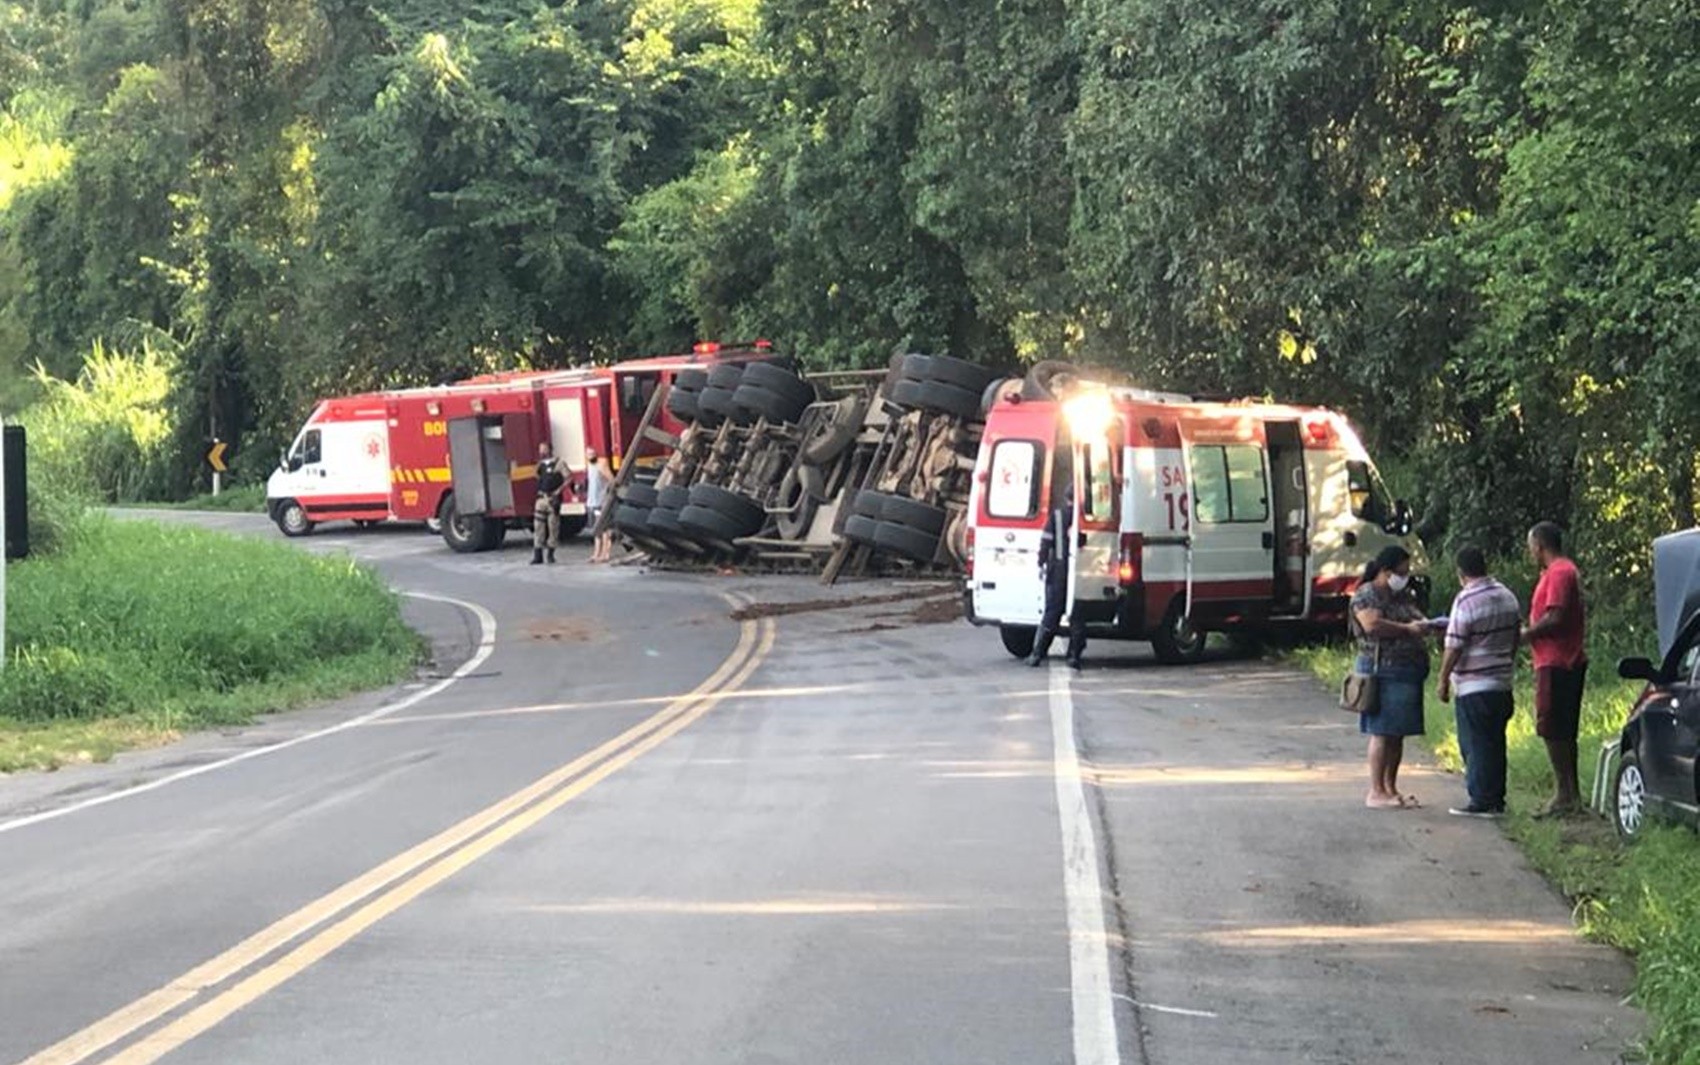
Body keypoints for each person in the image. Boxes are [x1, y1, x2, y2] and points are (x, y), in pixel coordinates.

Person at [1437, 546, 1521, 817]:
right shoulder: (1507, 596)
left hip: (1474, 684)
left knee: (1474, 744)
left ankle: (1482, 800)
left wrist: (1442, 679)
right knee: (1495, 741)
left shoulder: (1466, 600)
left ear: (1460, 572)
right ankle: (1496, 797)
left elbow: (1454, 645)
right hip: (1502, 682)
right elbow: (1515, 636)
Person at [1350, 545, 1432, 809]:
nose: (1404, 577)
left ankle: (1390, 788)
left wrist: (1427, 625)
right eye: (1401, 572)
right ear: (1385, 571)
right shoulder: (1366, 594)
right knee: (1382, 731)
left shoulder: (1402, 596)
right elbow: (1372, 624)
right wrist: (1407, 630)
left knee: (1397, 732)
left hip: (1407, 670)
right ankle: (1376, 790)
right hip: (1381, 670)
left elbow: (1416, 616)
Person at [1521, 521, 1587, 817]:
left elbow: (1556, 616)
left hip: (1558, 659)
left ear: (1540, 545)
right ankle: (1570, 794)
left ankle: (1564, 793)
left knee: (1553, 728)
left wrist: (1526, 634)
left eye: (1531, 546)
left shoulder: (1560, 572)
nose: (1530, 552)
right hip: (1556, 658)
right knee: (1562, 728)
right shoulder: (1556, 571)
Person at [1027, 486, 1087, 669]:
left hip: (1058, 570)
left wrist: (1041, 561)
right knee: (1077, 614)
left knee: (1052, 612)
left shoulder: (1057, 515)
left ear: (1066, 497)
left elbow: (1046, 541)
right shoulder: (1085, 519)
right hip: (1079, 572)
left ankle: (1037, 654)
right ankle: (1074, 655)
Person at [531, 442, 566, 565]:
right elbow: (535, 475)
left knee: (553, 527)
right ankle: (537, 555)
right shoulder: (540, 465)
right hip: (541, 498)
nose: (542, 452)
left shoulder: (559, 463)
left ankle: (550, 554)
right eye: (540, 449)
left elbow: (568, 477)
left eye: (544, 449)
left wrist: (558, 491)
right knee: (538, 527)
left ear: (550, 450)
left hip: (552, 499)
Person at [586, 448, 614, 563]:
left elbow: (612, 480)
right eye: (588, 454)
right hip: (591, 502)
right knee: (596, 529)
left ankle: (605, 553)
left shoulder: (601, 466)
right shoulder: (589, 467)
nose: (591, 456)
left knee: (604, 529)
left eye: (592, 453)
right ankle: (596, 553)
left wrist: (607, 496)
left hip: (600, 502)